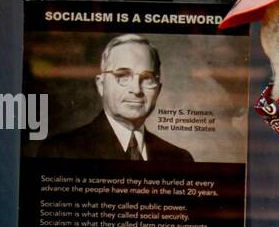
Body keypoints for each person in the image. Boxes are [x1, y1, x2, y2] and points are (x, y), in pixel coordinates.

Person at [35, 34, 194, 161]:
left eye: (147, 78)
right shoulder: (59, 152)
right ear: (101, 85)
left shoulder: (181, 159)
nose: (136, 90)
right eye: (123, 76)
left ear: (158, 89)